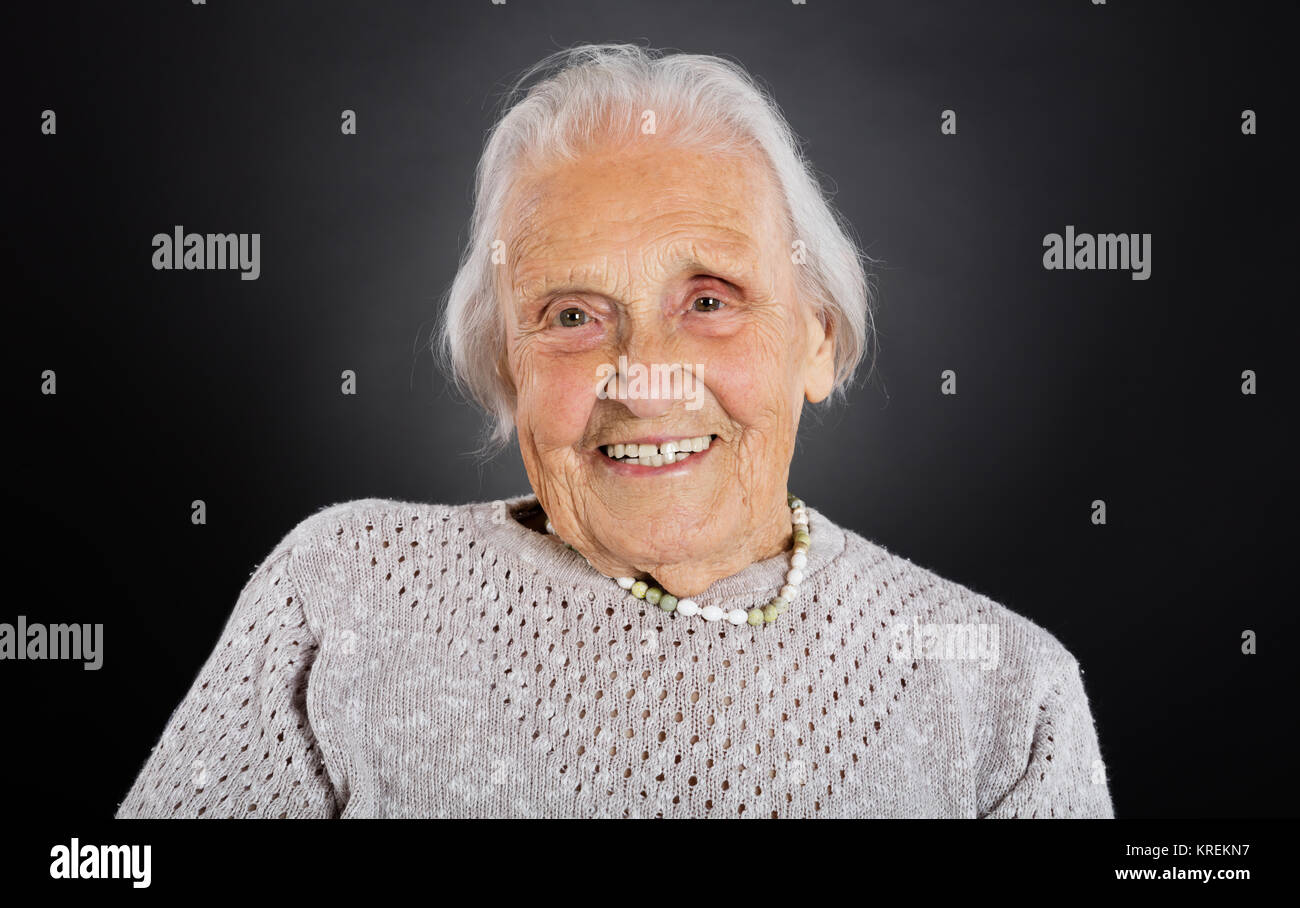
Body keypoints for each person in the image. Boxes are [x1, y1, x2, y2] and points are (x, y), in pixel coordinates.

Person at [116, 43, 1114, 818]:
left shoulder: (1005, 687)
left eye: (710, 299)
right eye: (571, 316)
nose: (644, 378)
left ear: (815, 338)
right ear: (506, 363)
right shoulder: (343, 588)